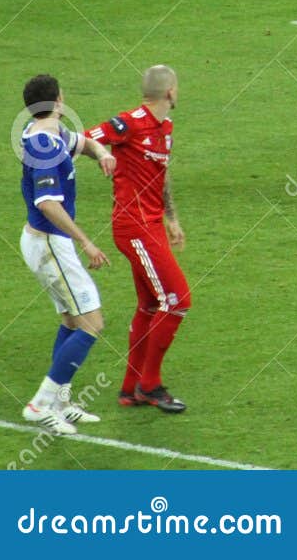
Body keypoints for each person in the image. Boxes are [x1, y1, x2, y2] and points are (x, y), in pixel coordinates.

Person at [86, 65, 195, 413]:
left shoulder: (165, 128)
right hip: (133, 228)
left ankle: (130, 388)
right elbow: (85, 137)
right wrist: (101, 153)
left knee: (151, 305)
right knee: (177, 300)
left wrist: (172, 218)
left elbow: (160, 175)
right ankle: (150, 385)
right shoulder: (129, 122)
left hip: (152, 227)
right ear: (171, 92)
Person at [19, 74, 116, 436]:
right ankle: (40, 404)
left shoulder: (51, 132)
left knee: (72, 321)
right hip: (49, 243)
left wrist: (103, 153)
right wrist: (86, 242)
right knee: (92, 323)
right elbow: (47, 204)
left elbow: (86, 143)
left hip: (48, 243)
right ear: (58, 100)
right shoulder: (43, 144)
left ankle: (60, 403)